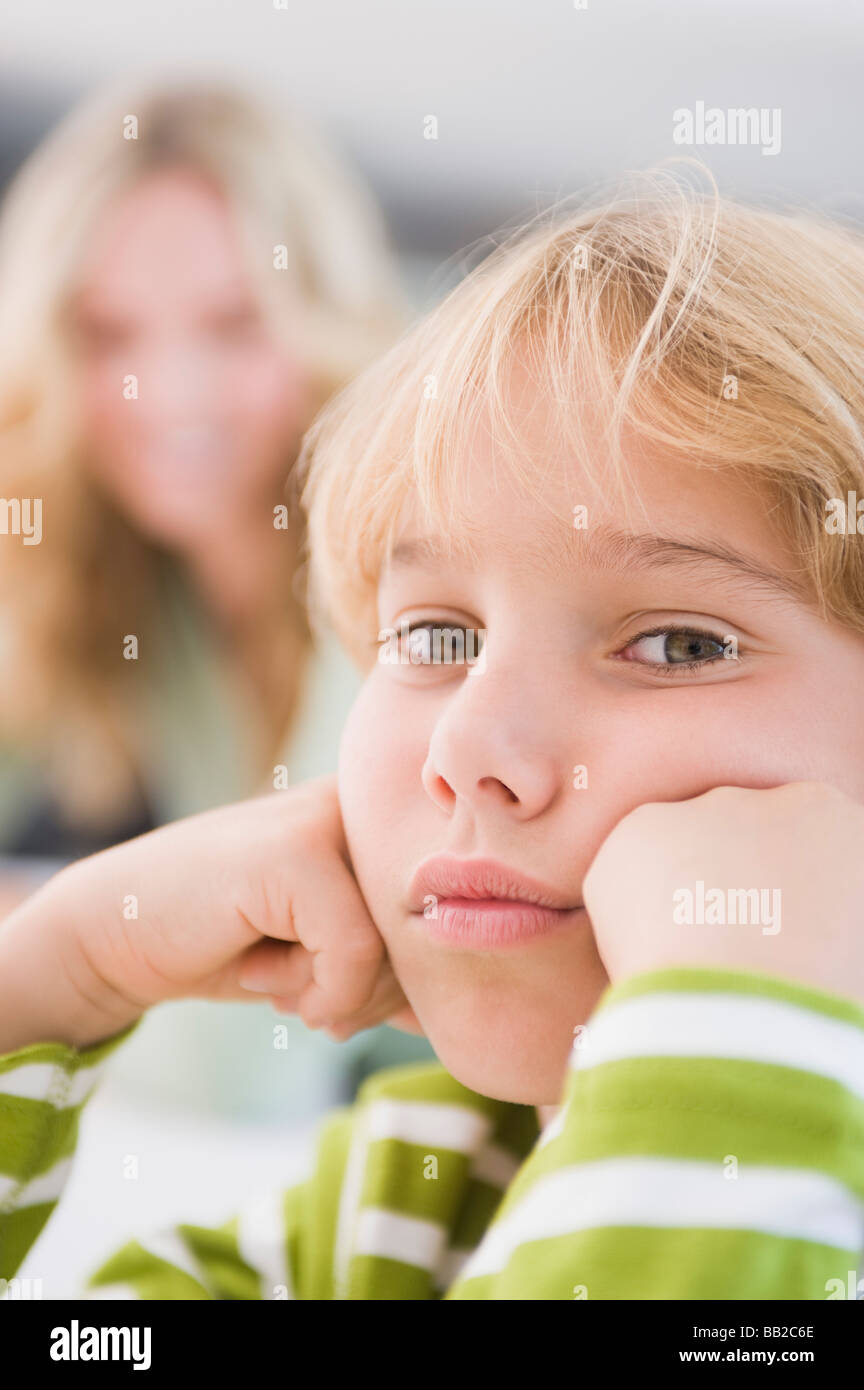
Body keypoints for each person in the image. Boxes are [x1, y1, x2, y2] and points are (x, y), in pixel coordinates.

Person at [3, 168, 864, 1299]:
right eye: (439, 638)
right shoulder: (403, 1200)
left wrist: (731, 1036)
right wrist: (60, 974)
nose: (468, 746)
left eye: (680, 646)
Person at [0, 77, 401, 869]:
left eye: (234, 325)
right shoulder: (134, 585)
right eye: (109, 334)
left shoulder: (395, 571)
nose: (173, 394)